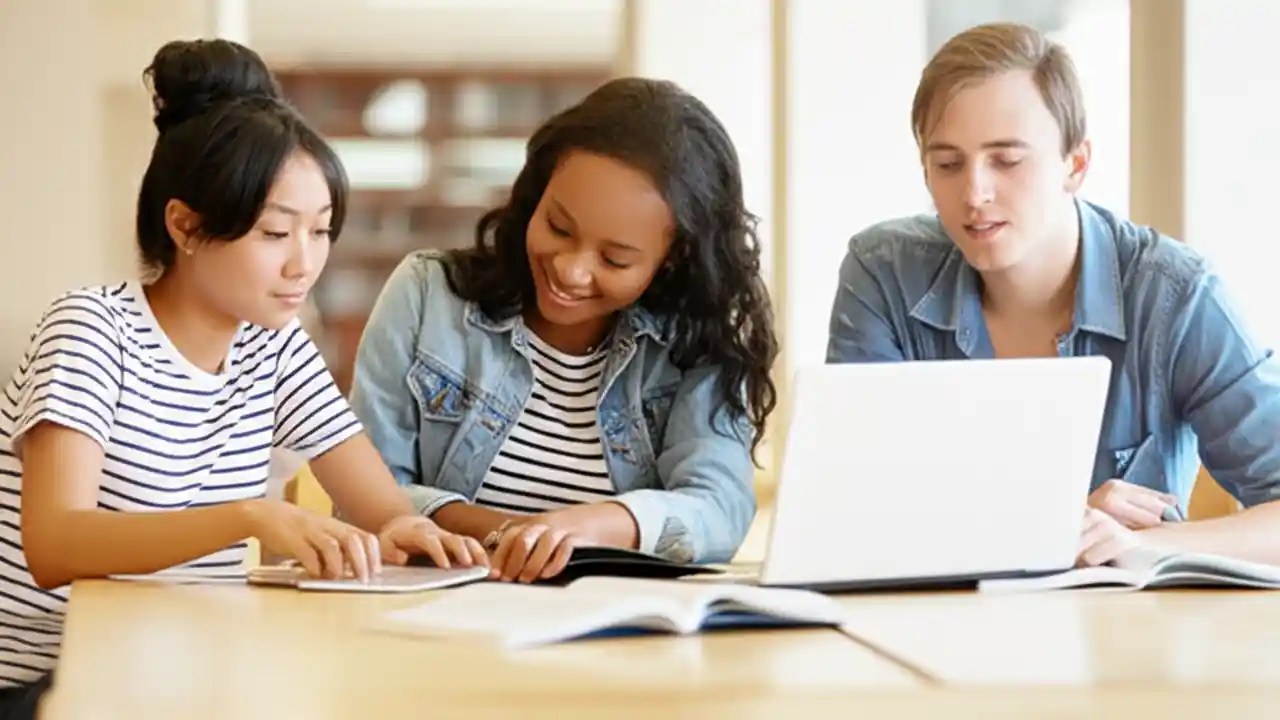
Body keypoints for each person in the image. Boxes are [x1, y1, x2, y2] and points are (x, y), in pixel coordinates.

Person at [0, 39, 486, 716]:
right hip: (46, 679)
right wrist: (251, 516)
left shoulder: (276, 344)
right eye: (274, 234)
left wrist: (402, 529)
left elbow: (378, 503)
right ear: (187, 225)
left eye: (320, 231)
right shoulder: (91, 329)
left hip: (184, 660)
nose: (304, 264)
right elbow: (55, 543)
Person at [826, 21, 1280, 569]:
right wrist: (1052, 526)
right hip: (928, 626)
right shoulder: (883, 274)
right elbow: (852, 511)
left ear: (1076, 164)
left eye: (1008, 160)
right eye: (947, 164)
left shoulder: (1176, 296)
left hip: (1121, 639)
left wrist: (1141, 543)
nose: (975, 194)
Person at [351, 77, 779, 583]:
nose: (571, 272)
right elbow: (362, 494)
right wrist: (514, 535)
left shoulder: (699, 339)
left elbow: (718, 509)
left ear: (674, 256)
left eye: (614, 259)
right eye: (558, 227)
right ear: (536, 193)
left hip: (621, 636)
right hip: (434, 617)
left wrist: (595, 526)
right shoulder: (428, 295)